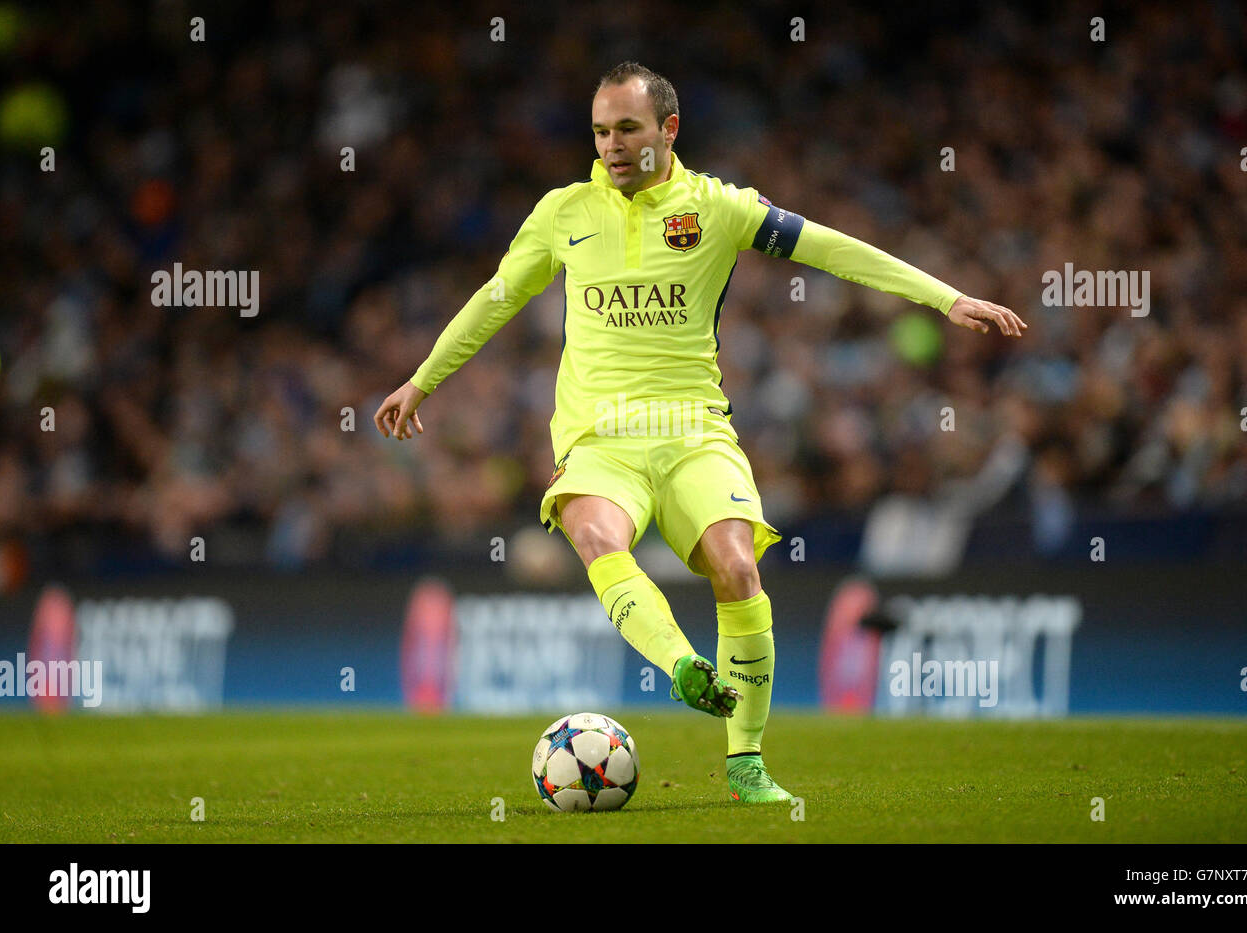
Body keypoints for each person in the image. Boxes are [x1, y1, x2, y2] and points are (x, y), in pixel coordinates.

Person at [374, 62, 1027, 803]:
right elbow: (494, 299)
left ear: (668, 129)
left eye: (627, 129)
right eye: (599, 131)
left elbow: (832, 248)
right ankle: (685, 665)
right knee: (595, 535)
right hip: (599, 436)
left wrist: (944, 298)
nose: (611, 145)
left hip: (694, 432)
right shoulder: (563, 212)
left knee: (738, 570)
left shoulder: (718, 208)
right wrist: (422, 376)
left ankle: (746, 762)